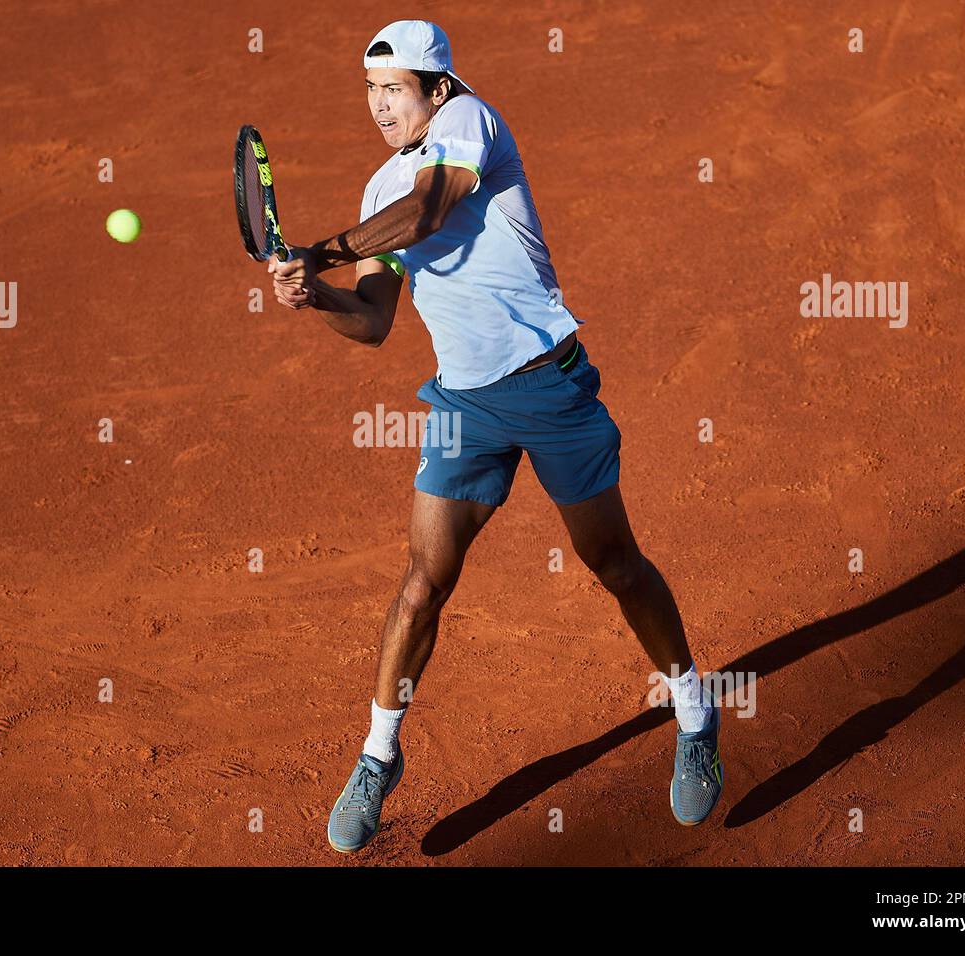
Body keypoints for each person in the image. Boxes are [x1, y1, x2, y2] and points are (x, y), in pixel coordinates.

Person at [267, 19, 723, 854]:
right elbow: (371, 322)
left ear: (435, 89)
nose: (378, 106)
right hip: (465, 405)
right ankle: (378, 753)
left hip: (549, 386)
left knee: (613, 564)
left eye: (393, 89)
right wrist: (316, 296)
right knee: (422, 582)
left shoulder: (468, 121)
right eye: (369, 90)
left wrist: (317, 250)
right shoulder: (378, 191)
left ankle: (695, 711)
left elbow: (430, 208)